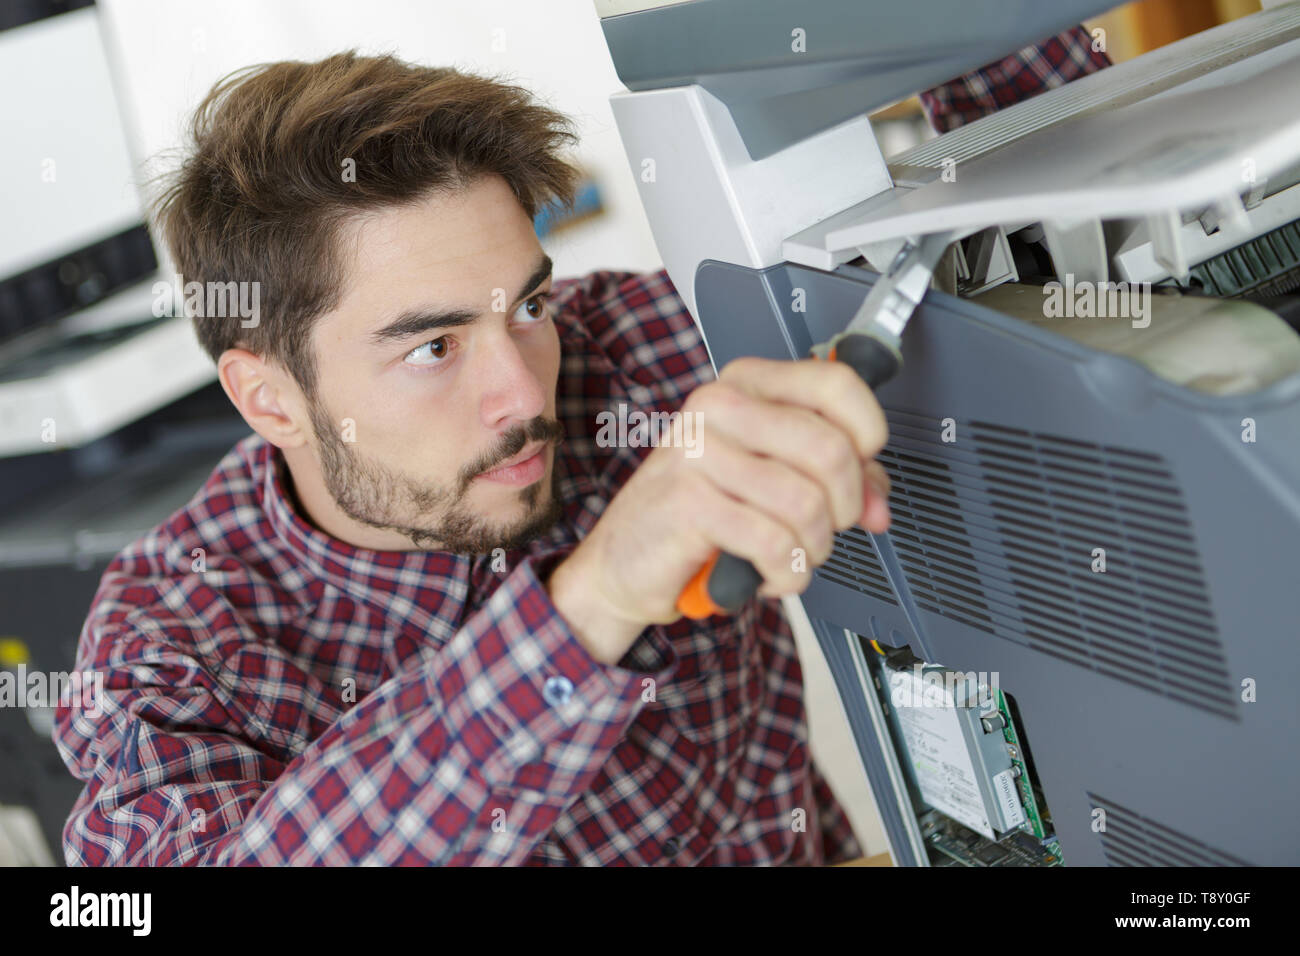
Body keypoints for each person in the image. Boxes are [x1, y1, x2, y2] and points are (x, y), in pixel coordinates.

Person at [53, 26, 1109, 865]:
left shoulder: (640, 351)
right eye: (431, 346)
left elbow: (1032, 241)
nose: (521, 389)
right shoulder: (167, 643)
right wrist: (586, 603)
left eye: (528, 303)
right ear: (268, 394)